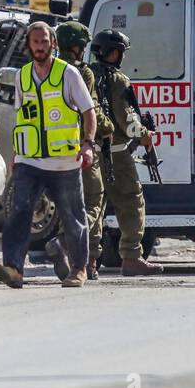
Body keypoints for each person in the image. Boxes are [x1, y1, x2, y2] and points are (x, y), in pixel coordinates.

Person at [0, 22, 97, 289]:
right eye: (35, 42)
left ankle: (78, 268)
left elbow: (89, 112)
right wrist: (16, 157)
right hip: (30, 161)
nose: (40, 46)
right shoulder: (23, 76)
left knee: (73, 215)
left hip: (64, 161)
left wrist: (88, 144)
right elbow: (23, 118)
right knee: (19, 212)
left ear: (53, 43)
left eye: (44, 41)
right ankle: (14, 269)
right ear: (29, 45)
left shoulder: (69, 74)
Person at [91, 28, 163, 276]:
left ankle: (89, 261)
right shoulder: (119, 80)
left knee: (94, 206)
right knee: (132, 201)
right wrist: (145, 136)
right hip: (117, 154)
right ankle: (132, 257)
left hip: (90, 153)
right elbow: (128, 122)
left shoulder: (86, 75)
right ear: (113, 53)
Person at [57, 20, 111, 281]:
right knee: (93, 202)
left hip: (54, 149)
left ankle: (76, 262)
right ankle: (69, 245)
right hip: (82, 147)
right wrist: (108, 128)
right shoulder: (82, 72)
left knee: (67, 204)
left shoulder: (47, 70)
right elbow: (92, 110)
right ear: (76, 47)